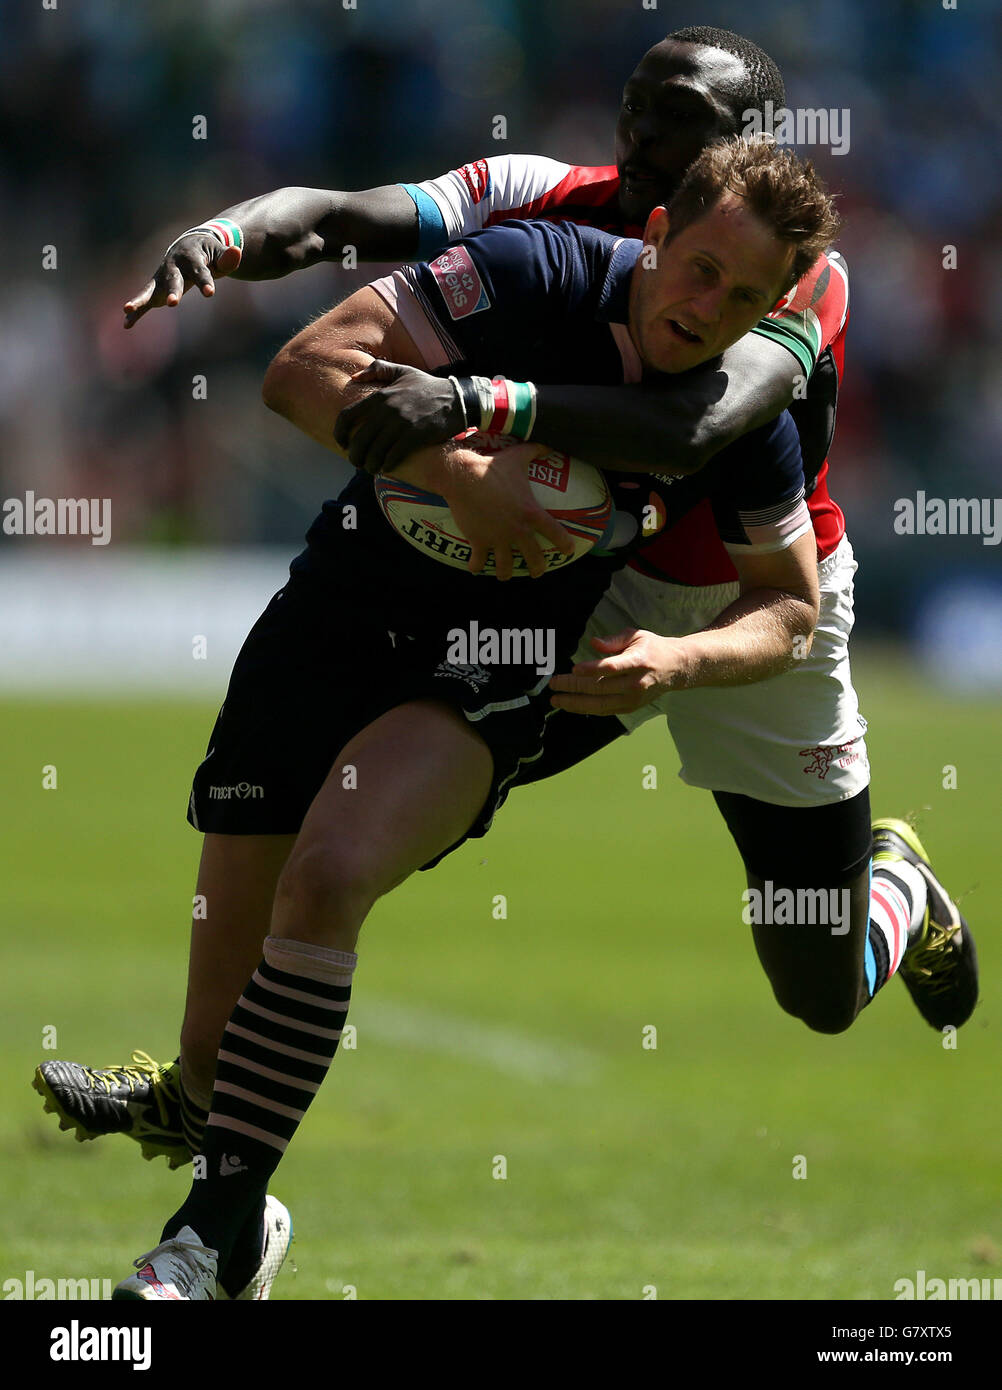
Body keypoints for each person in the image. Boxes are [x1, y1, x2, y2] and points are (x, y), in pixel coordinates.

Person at [107, 136, 840, 1299]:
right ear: (653, 237)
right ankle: (226, 1169)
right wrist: (461, 475)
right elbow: (302, 369)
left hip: (483, 668)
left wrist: (682, 659)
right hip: (334, 618)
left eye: (746, 295)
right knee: (213, 1045)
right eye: (700, 269)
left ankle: (212, 1231)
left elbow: (792, 604)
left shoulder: (739, 408)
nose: (711, 310)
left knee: (331, 877)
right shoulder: (527, 269)